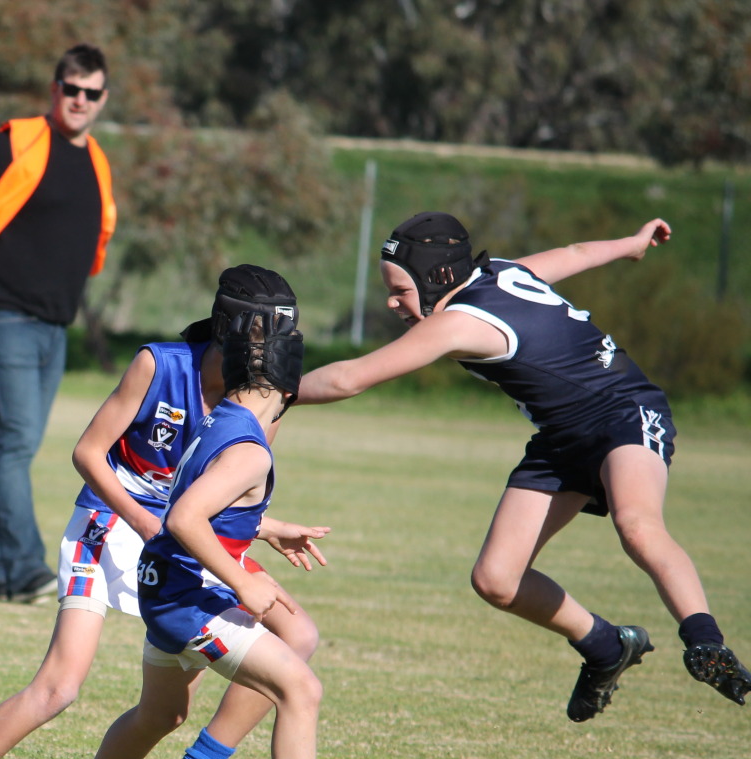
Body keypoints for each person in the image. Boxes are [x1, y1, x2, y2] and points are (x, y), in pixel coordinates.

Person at [0, 271, 331, 759]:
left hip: (176, 541)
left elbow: (207, 497)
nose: (273, 354)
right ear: (235, 331)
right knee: (59, 687)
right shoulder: (160, 364)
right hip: (112, 523)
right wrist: (145, 522)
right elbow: (88, 453)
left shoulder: (262, 397)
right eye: (266, 338)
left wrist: (266, 528)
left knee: (287, 638)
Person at [297, 212, 750, 721]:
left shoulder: (457, 321)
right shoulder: (500, 273)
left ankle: (705, 641)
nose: (392, 301)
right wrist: (629, 243)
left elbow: (349, 379)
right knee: (496, 579)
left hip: (623, 411)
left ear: (437, 279)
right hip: (562, 436)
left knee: (637, 523)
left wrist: (274, 393)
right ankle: (605, 645)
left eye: (400, 289)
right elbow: (574, 253)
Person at [44, 266, 385, 759]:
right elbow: (185, 515)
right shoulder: (251, 446)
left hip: (167, 583)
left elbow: (207, 502)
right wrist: (242, 580)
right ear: (284, 390)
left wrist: (260, 525)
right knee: (300, 689)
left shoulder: (215, 419)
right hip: (191, 594)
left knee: (162, 714)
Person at [0, 42, 117, 602]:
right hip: (1, 315)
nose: (80, 100)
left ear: (103, 98)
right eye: (71, 88)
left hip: (52, 326)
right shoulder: (14, 140)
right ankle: (22, 571)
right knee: (14, 441)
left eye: (92, 92)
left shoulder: (97, 160)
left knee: (8, 444)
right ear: (54, 89)